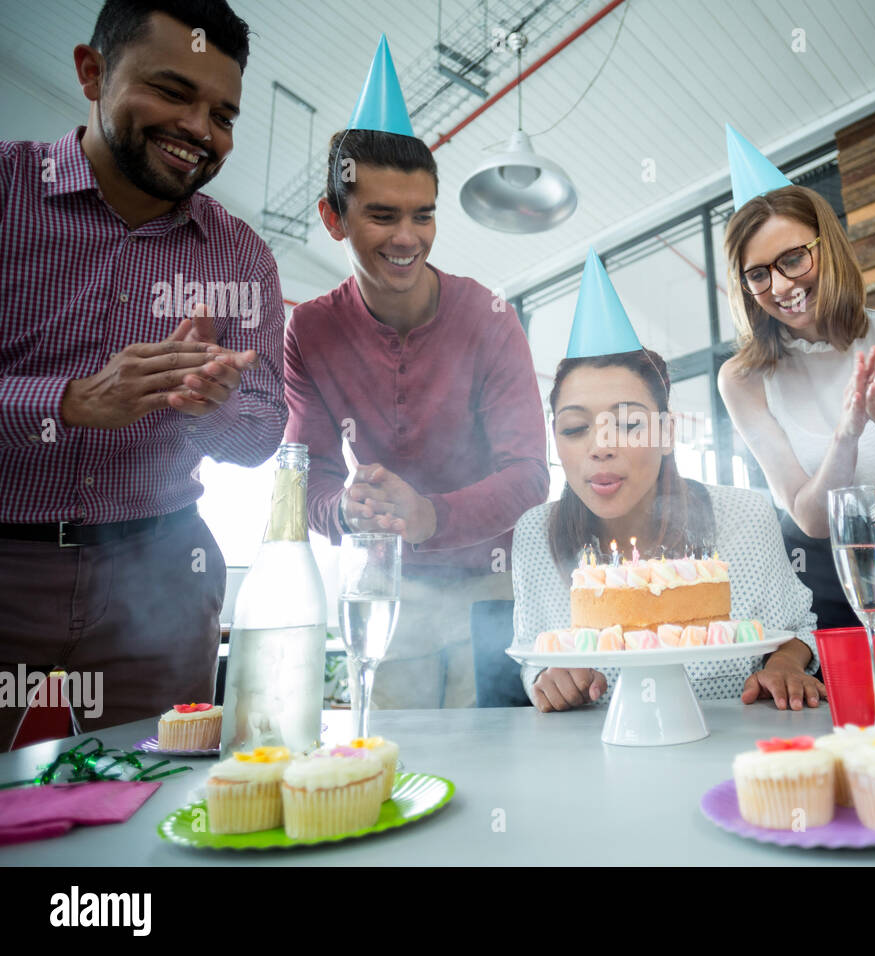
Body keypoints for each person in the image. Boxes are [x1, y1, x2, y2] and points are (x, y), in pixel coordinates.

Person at [0, 0, 286, 748]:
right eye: (171, 91)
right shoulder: (6, 195)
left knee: (164, 799)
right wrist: (68, 401)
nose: (200, 128)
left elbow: (260, 438)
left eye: (223, 113)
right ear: (92, 72)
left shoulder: (241, 258)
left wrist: (205, 404)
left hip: (165, 571)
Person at [285, 38, 548, 710]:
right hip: (385, 594)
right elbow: (308, 475)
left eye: (422, 215)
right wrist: (340, 509)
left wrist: (432, 515)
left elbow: (528, 476)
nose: (408, 237)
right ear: (333, 218)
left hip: (493, 589)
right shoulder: (308, 330)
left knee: (497, 778)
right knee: (397, 774)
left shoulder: (490, 318)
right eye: (382, 215)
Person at [511, 252, 823, 713]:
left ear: (667, 433)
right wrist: (546, 679)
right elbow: (529, 652)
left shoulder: (744, 517)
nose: (600, 446)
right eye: (575, 429)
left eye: (630, 424)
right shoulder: (536, 534)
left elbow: (797, 628)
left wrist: (786, 663)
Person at [717, 128, 875, 690]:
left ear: (828, 245)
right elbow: (810, 517)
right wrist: (848, 431)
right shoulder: (744, 378)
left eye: (794, 258)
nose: (782, 286)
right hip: (798, 595)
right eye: (758, 274)